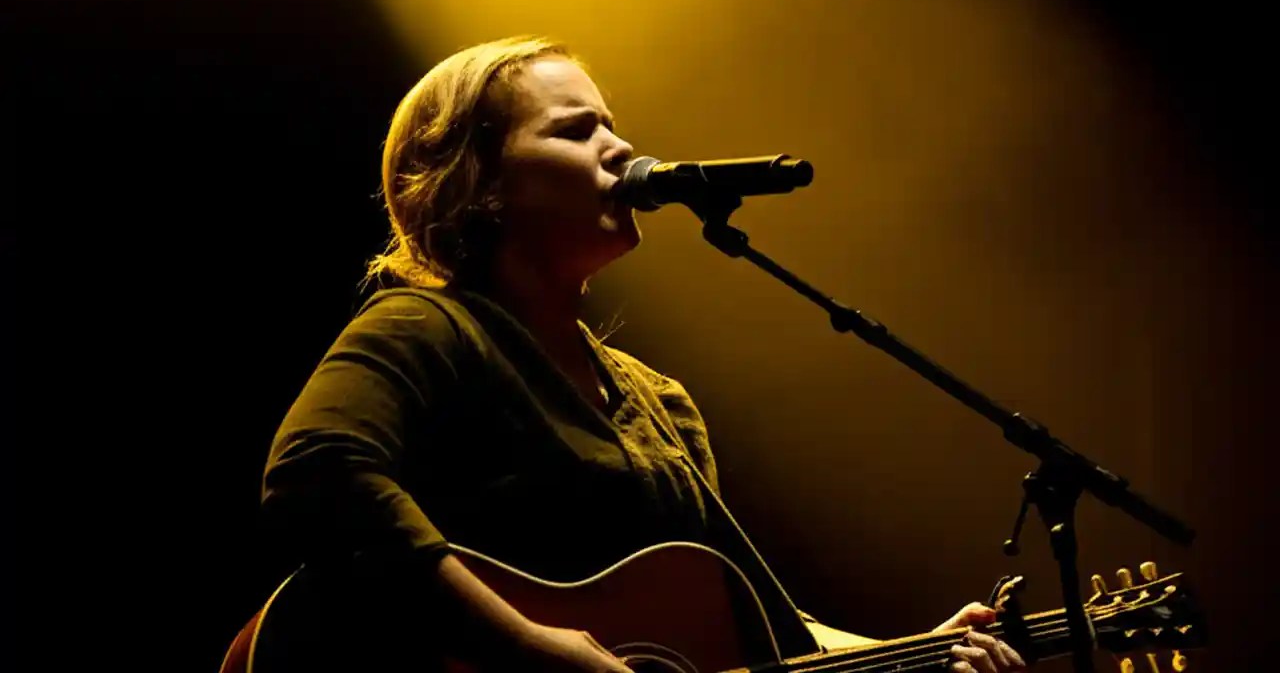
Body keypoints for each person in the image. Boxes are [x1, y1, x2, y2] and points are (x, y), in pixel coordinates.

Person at [261, 35, 1027, 672]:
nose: (620, 146)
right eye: (575, 129)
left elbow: (751, 624)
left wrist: (924, 652)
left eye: (611, 124)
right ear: (481, 183)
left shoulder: (659, 403)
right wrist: (530, 646)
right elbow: (317, 469)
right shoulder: (428, 328)